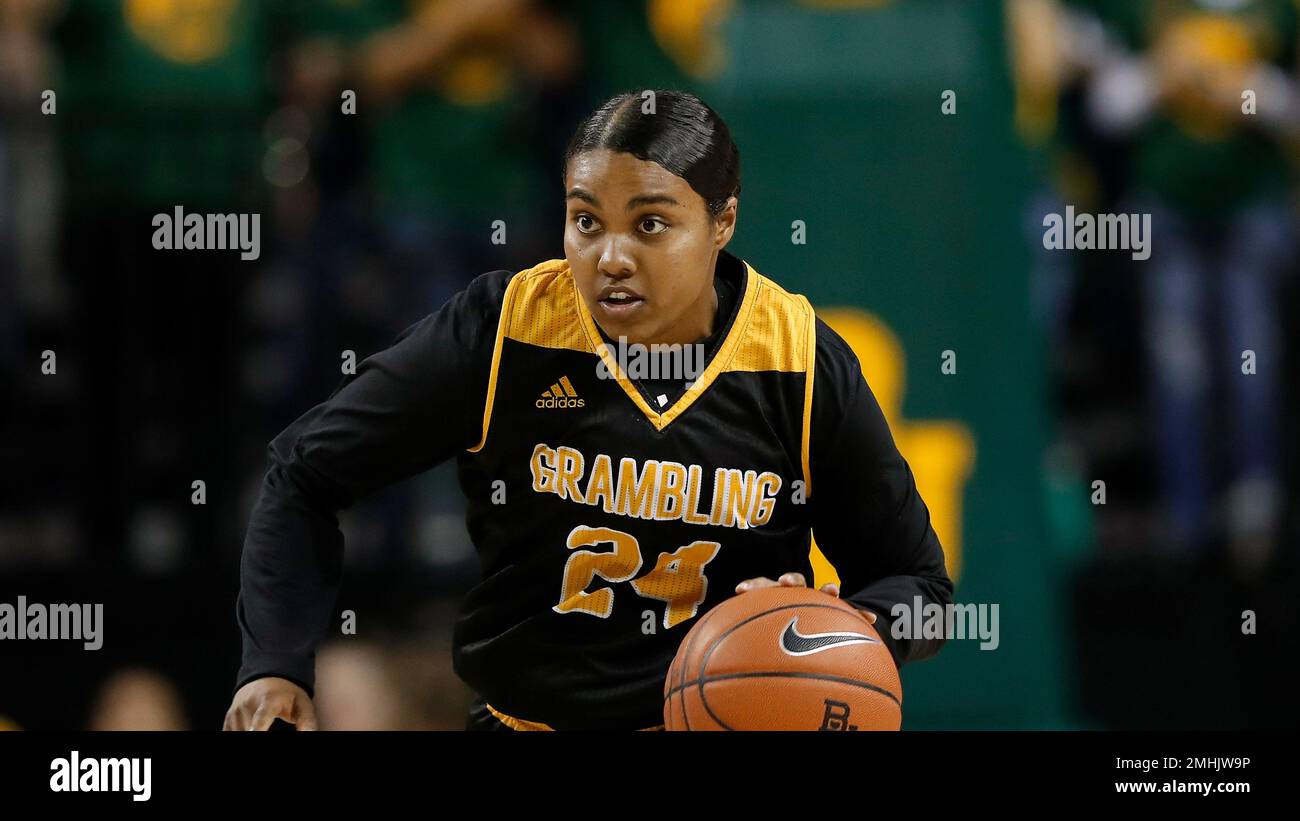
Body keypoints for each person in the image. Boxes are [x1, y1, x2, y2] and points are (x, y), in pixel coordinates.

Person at [224, 90, 953, 732]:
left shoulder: (796, 358)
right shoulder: (507, 329)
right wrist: (274, 664)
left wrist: (845, 626)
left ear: (722, 221)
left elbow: (920, 588)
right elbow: (304, 473)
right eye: (585, 221)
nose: (610, 256)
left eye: (650, 224)